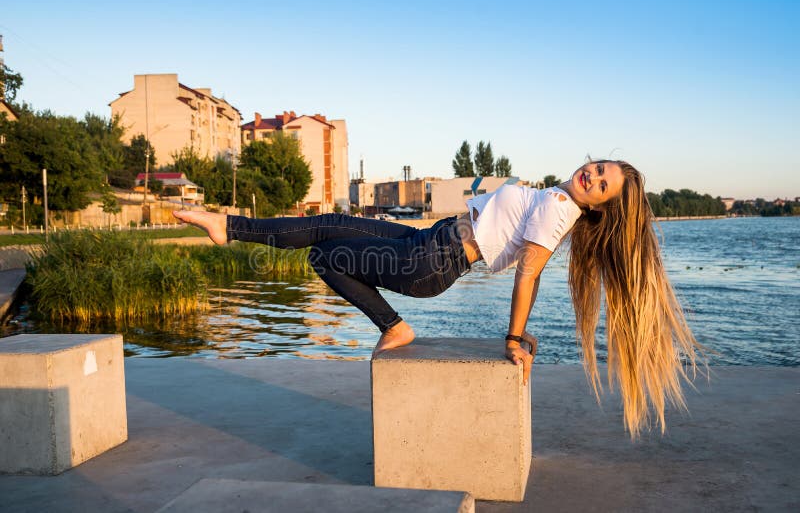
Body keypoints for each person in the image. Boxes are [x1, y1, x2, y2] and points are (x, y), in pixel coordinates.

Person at [174, 159, 701, 438]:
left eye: (602, 185)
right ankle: (228, 225)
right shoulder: (553, 196)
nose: (593, 176)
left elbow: (529, 275)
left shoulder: (559, 208)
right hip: (429, 242)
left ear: (598, 207)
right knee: (328, 226)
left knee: (325, 253)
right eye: (600, 167)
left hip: (431, 261)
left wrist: (514, 337)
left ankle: (392, 326)